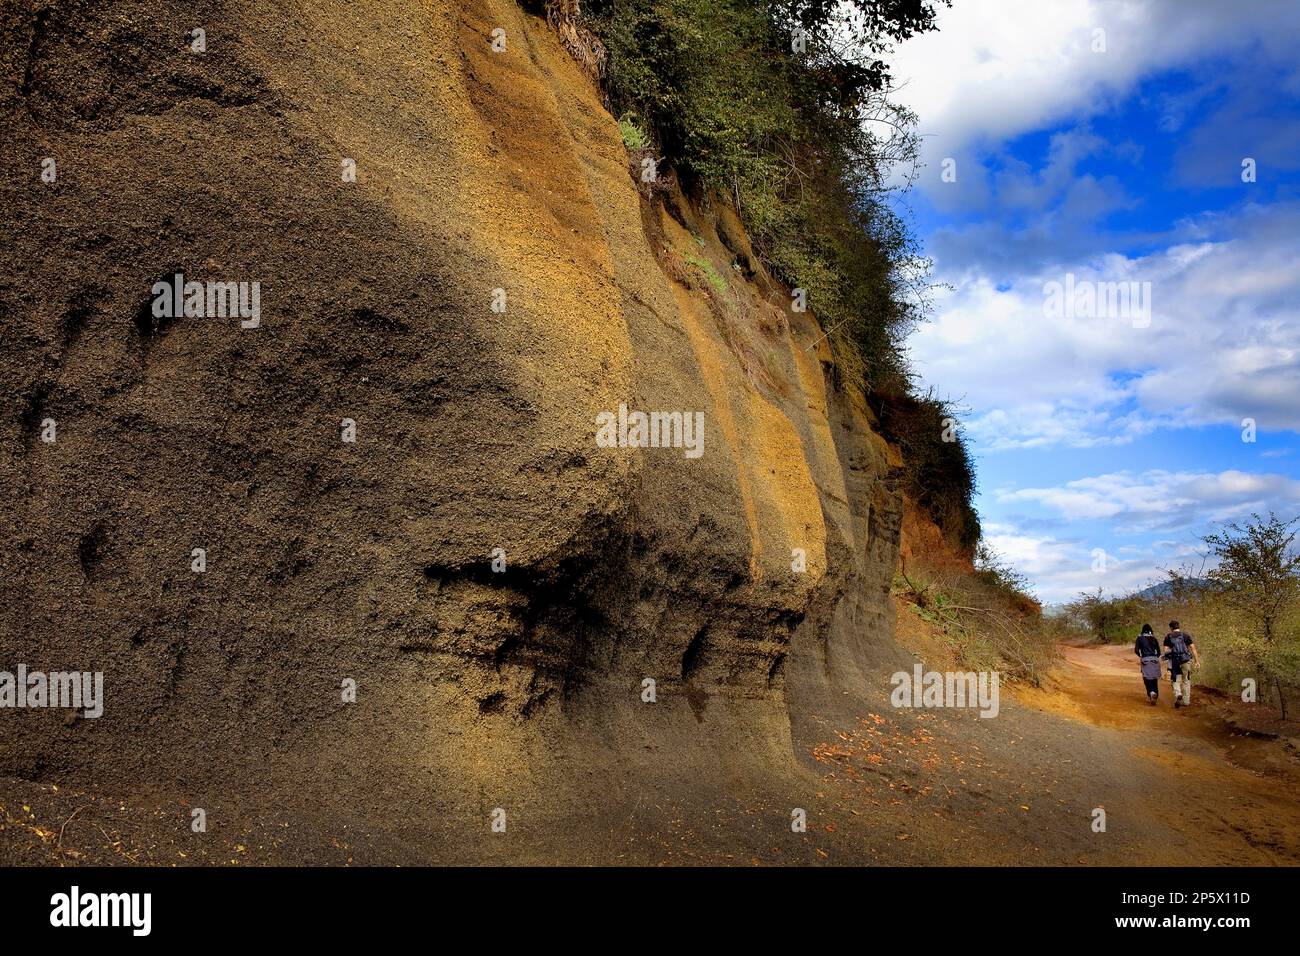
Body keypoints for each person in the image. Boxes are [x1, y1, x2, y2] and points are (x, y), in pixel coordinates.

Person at [1162, 620, 1201, 709]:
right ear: (1178, 627)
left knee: (1175, 680)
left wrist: (1167, 660)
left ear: (1171, 628)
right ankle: (1186, 701)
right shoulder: (1185, 636)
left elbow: (1166, 651)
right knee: (1186, 680)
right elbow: (1193, 648)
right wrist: (1197, 661)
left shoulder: (1168, 636)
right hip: (1186, 660)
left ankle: (1178, 694)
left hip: (1175, 662)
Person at [1134, 623, 1161, 705]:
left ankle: (1151, 693)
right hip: (1155, 660)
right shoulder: (1154, 638)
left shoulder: (1140, 638)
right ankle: (1155, 694)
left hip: (1145, 659)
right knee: (1154, 678)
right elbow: (1159, 652)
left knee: (1146, 678)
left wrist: (1141, 656)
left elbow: (1136, 650)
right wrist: (1155, 657)